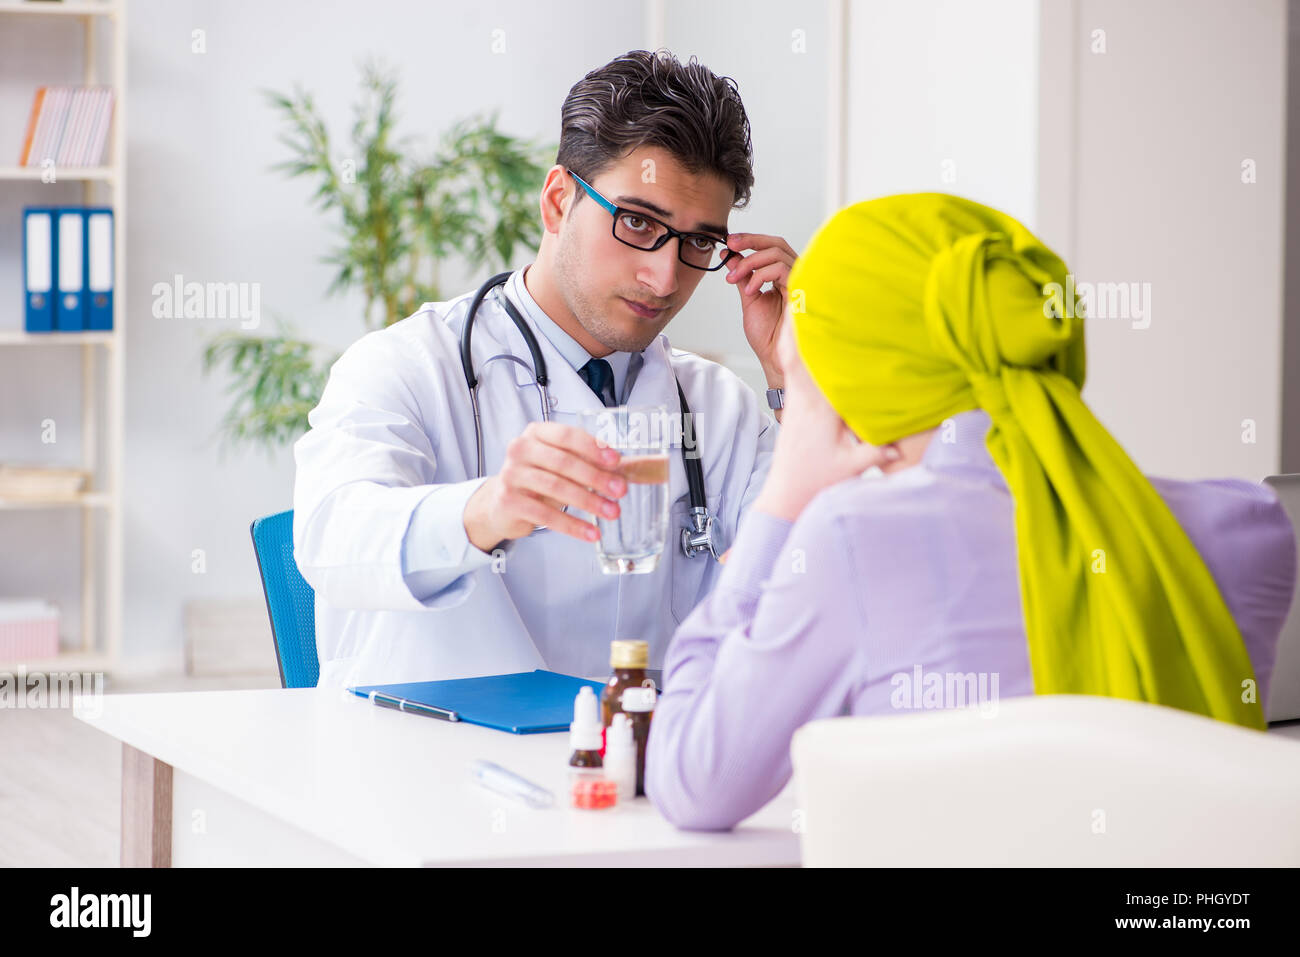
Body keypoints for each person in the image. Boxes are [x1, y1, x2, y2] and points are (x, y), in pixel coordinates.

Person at [645, 192, 1297, 831]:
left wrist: (787, 486)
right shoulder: (1252, 529)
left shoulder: (852, 539)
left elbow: (692, 781)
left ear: (848, 381)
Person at [292, 50, 799, 688]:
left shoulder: (718, 408)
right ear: (558, 201)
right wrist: (485, 508)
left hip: (637, 773)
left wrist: (796, 378)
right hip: (429, 766)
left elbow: (810, 589)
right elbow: (333, 542)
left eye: (699, 241)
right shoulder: (409, 364)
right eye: (637, 222)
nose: (664, 277)